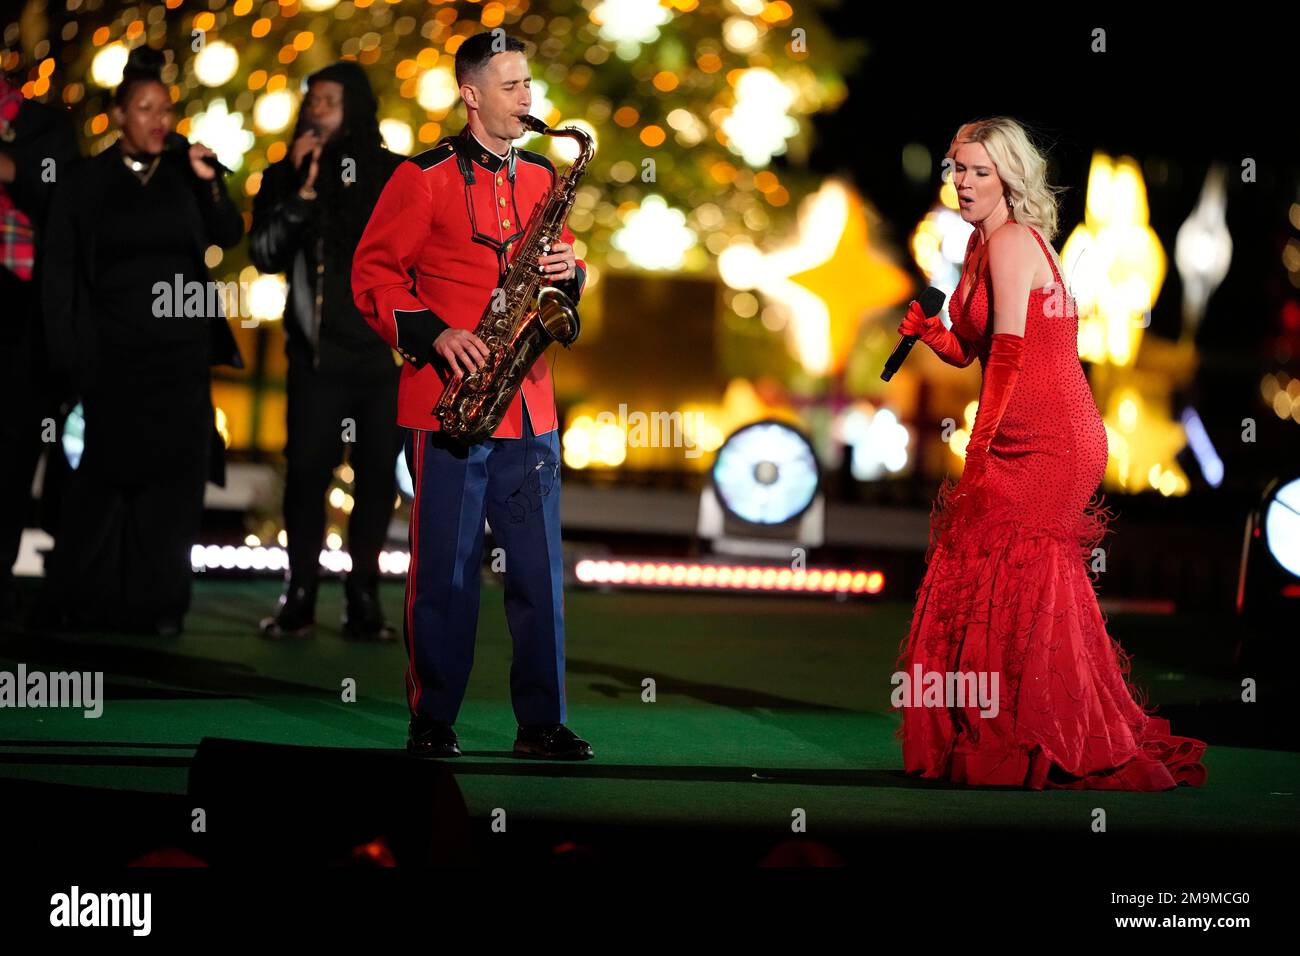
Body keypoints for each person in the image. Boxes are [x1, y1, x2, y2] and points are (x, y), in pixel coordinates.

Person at [893, 117, 1207, 790]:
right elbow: (975, 348)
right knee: (983, 574)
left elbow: (1010, 354)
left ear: (1009, 176)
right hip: (1020, 428)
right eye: (957, 169)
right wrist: (932, 337)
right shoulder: (983, 247)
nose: (965, 182)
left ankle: (1034, 737)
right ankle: (1006, 733)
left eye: (979, 170)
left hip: (1049, 440)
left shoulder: (1009, 243)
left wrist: (981, 446)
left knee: (1013, 579)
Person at [352, 32, 593, 759]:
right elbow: (373, 278)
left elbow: (565, 273)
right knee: (445, 574)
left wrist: (568, 271)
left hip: (532, 402)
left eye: (529, 85)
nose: (529, 99)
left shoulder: (546, 175)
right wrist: (434, 336)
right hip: (449, 399)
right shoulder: (420, 176)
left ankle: (541, 723)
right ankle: (432, 719)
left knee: (539, 576)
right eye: (514, 86)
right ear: (472, 94)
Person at [38, 46, 243, 635]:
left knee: (175, 483)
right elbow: (59, 275)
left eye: (166, 110)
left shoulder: (185, 173)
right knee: (99, 479)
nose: (158, 120)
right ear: (120, 115)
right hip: (110, 354)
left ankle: (159, 606)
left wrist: (210, 185)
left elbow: (228, 233)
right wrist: (66, 357)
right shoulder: (84, 182)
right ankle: (79, 600)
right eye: (145, 108)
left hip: (180, 357)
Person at [250, 62, 406, 641]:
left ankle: (363, 598)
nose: (317, 109)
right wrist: (301, 190)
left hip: (379, 357)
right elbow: (263, 254)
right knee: (307, 475)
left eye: (331, 100)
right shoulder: (285, 175)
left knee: (374, 481)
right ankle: (300, 594)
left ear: (356, 108)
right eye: (312, 99)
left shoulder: (393, 175)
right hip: (316, 359)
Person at [0, 71, 77, 624]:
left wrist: (11, 169)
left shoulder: (46, 126)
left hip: (22, 311)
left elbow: (62, 200)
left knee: (12, 452)